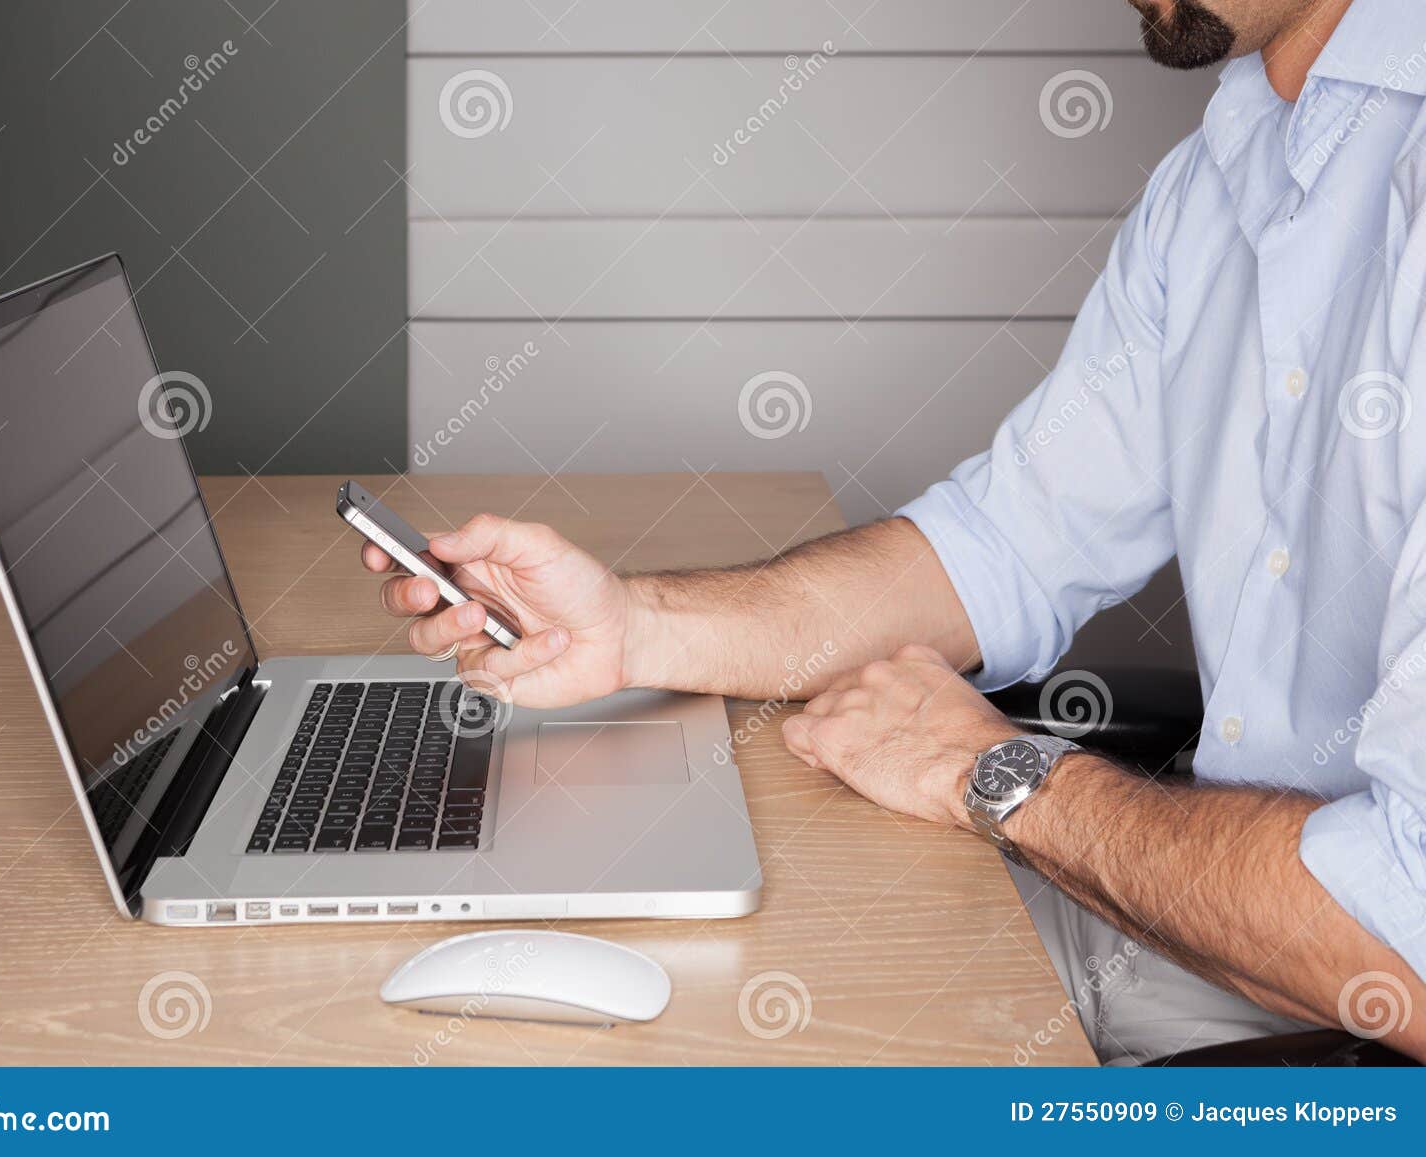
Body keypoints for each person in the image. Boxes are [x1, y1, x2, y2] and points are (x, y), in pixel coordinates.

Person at [364, 0, 1426, 1064]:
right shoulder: (1219, 175)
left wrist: (1007, 775)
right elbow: (1002, 545)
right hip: (1197, 930)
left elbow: (1405, 942)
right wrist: (634, 629)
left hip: (1338, 1031)